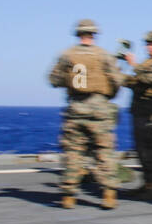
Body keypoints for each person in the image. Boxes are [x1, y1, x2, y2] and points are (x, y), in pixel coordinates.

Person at [47, 19, 124, 209]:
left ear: (78, 34)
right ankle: (108, 194)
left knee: (73, 153)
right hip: (99, 110)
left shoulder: (67, 55)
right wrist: (109, 95)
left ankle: (68, 195)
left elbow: (54, 80)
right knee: (104, 152)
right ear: (94, 35)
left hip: (75, 109)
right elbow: (117, 80)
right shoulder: (104, 55)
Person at [119, 31, 152, 199]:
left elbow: (150, 80)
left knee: (150, 151)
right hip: (139, 110)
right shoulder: (147, 63)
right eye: (148, 44)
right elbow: (139, 82)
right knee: (141, 151)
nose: (149, 47)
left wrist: (133, 64)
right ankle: (148, 184)